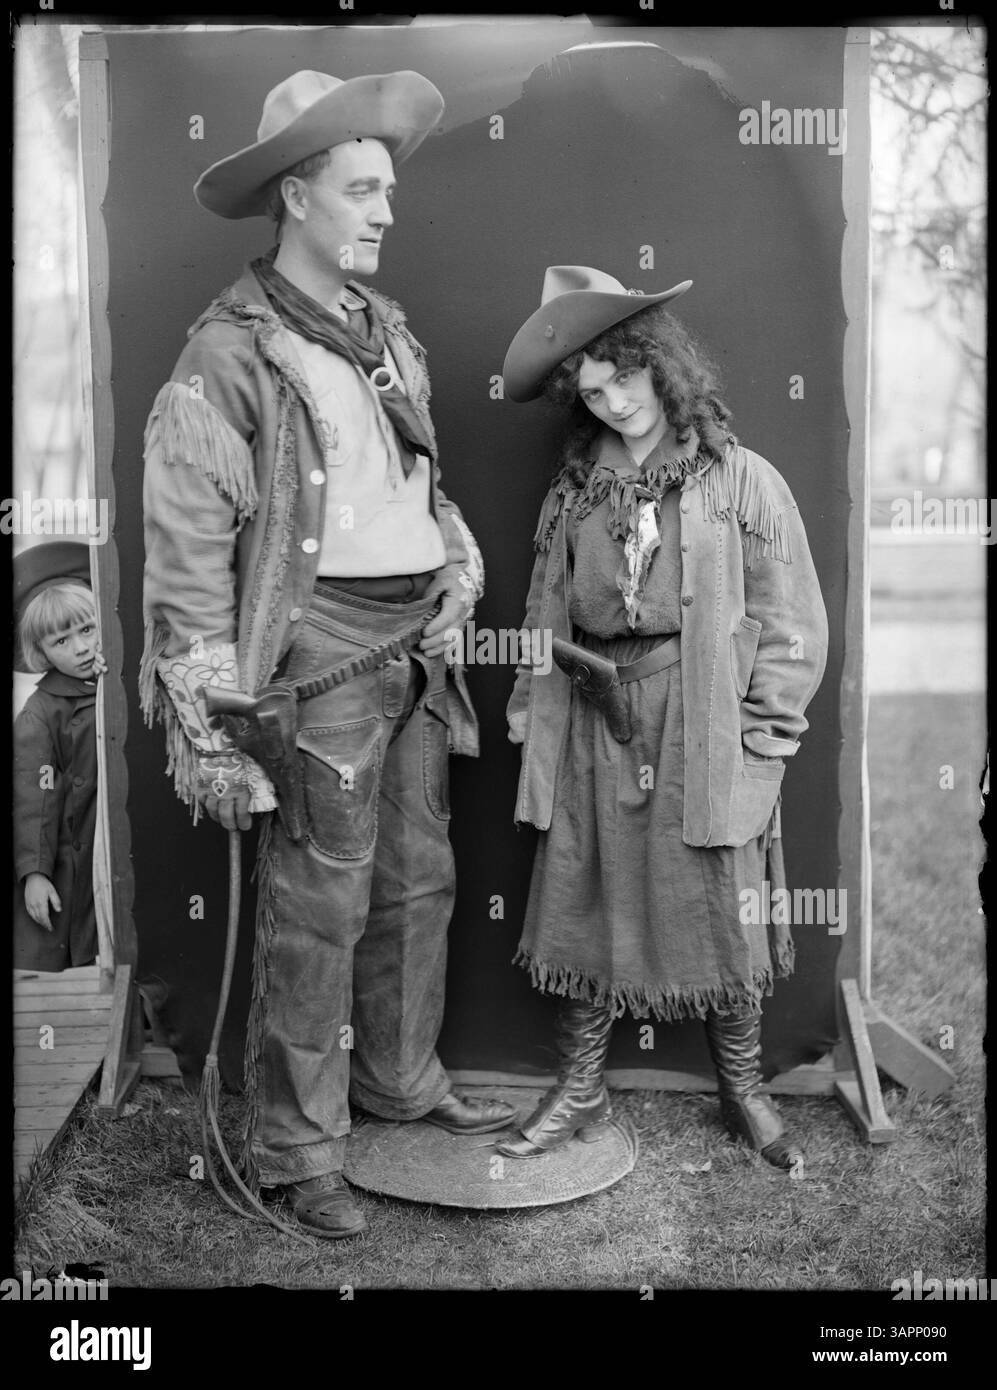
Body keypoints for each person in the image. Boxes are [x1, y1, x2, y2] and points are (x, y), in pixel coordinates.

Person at [140, 69, 513, 1239]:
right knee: (318, 907)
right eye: (361, 190)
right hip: (315, 661)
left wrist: (453, 562)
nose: (386, 212)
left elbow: (412, 481)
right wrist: (211, 722)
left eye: (387, 190)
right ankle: (299, 1149)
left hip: (414, 646)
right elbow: (188, 538)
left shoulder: (382, 328)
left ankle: (396, 1078)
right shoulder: (227, 352)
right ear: (295, 196)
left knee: (419, 878)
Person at [496, 266, 828, 1169]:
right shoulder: (573, 492)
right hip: (595, 708)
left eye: (624, 378)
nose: (612, 403)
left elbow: (791, 624)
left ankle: (744, 1090)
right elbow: (542, 611)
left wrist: (764, 740)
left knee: (720, 894)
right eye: (592, 392)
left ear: (660, 366)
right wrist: (536, 719)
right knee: (585, 884)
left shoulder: (741, 481)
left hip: (702, 711)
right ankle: (580, 1090)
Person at [14, 540, 105, 973]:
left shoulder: (123, 682)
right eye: (61, 641)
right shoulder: (41, 713)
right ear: (42, 653)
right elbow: (35, 800)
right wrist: (35, 872)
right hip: (78, 851)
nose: (81, 648)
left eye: (88, 630)